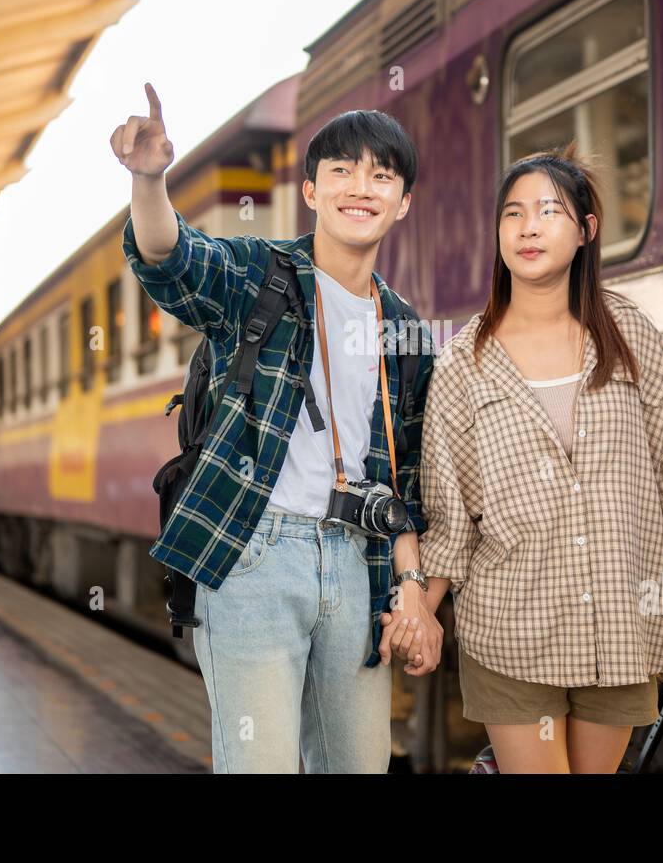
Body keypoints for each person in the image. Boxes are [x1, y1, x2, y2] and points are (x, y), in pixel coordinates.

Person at [110, 84, 441, 773]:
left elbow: (406, 480)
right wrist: (150, 182)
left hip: (357, 565)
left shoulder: (406, 329)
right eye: (342, 171)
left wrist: (410, 587)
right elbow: (174, 261)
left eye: (382, 175)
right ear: (312, 190)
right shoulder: (263, 275)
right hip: (256, 553)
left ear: (403, 202)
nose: (361, 187)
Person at [413, 144, 663, 774]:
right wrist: (423, 611)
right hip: (510, 622)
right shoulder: (464, 362)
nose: (528, 226)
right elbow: (449, 509)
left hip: (621, 618)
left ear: (586, 231)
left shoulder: (630, 336)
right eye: (513, 213)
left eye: (549, 211)